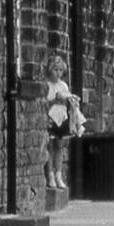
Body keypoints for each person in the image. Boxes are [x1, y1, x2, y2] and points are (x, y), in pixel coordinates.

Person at [43, 55, 83, 190]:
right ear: (50, 70)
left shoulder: (63, 85)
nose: (58, 73)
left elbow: (68, 102)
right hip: (51, 117)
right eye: (55, 70)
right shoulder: (47, 85)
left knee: (59, 147)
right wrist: (55, 100)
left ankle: (59, 174)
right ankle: (50, 175)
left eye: (60, 70)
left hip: (62, 117)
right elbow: (44, 103)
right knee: (50, 147)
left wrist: (70, 100)